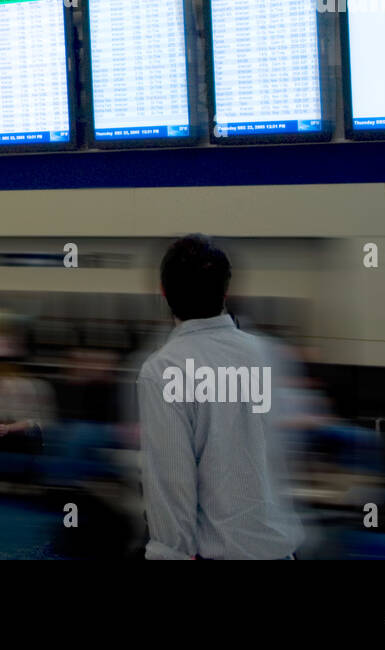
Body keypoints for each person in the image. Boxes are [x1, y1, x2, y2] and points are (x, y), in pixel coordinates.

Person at [138, 235, 304, 559]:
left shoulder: (163, 370)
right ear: (226, 292)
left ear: (163, 293)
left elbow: (172, 485)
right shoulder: (268, 354)